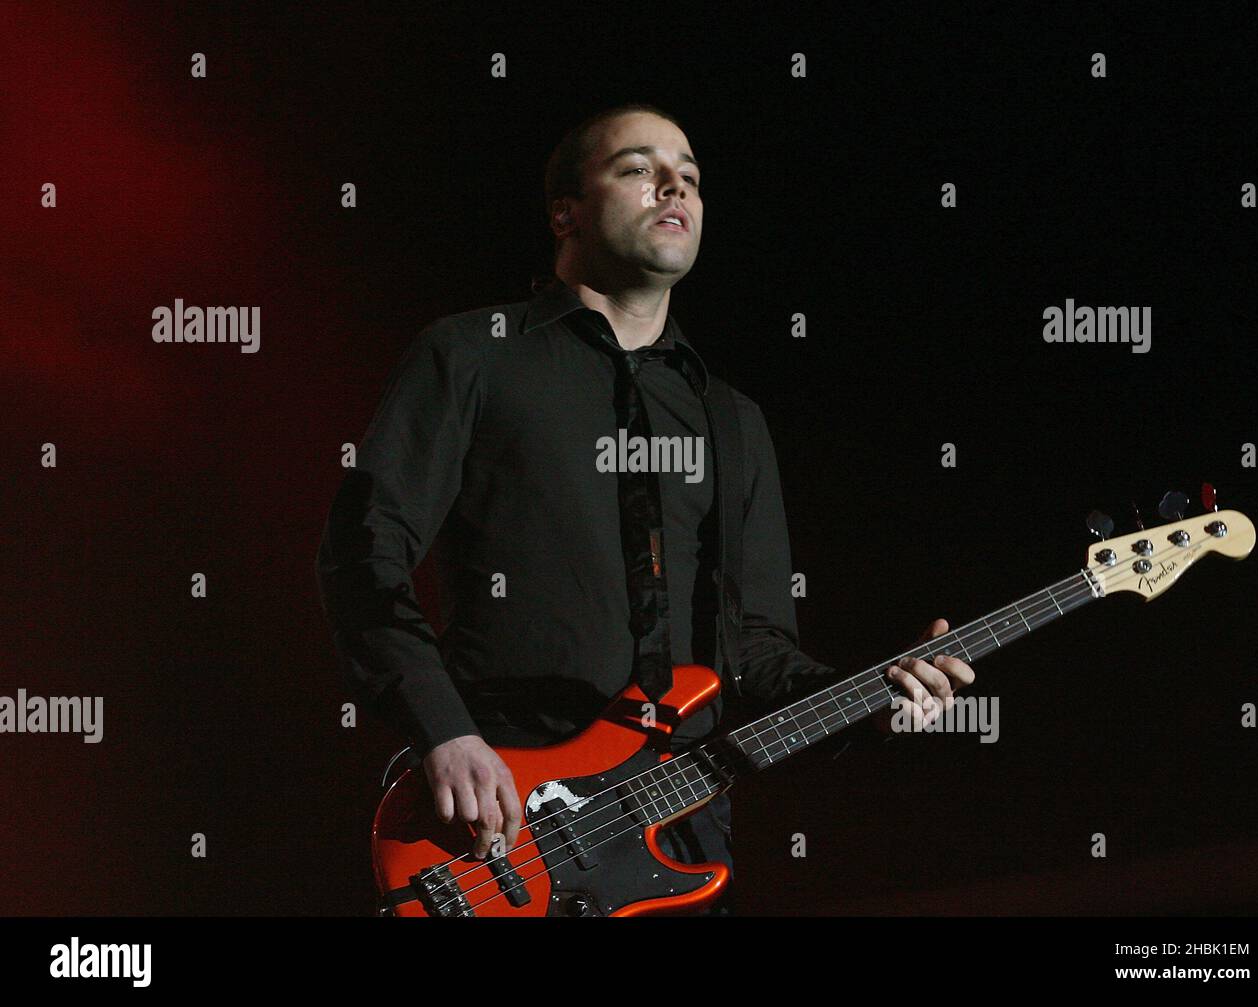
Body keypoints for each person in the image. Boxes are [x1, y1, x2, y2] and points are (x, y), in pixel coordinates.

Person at [314, 102, 975, 915]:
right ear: (565, 211)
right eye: (638, 168)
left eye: (691, 177)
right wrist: (443, 729)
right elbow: (364, 551)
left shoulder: (732, 421)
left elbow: (757, 650)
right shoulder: (473, 355)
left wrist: (874, 695)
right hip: (498, 826)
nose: (676, 187)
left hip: (678, 848)